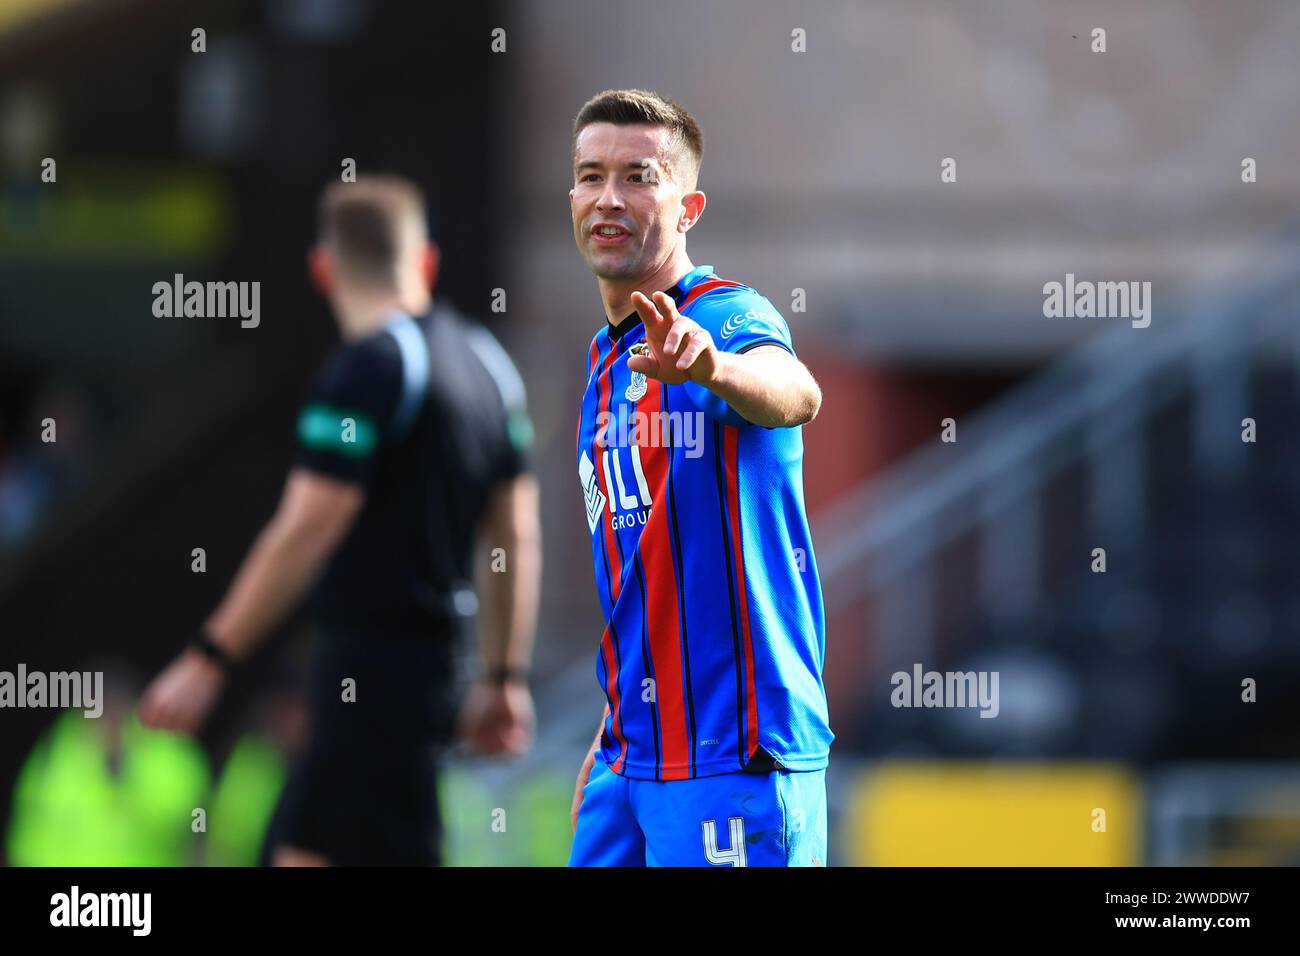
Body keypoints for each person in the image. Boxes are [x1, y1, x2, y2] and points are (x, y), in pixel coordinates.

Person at [139, 174, 541, 866]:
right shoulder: (489, 364)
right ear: (427, 262)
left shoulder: (367, 369)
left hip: (370, 669)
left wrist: (211, 657)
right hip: (438, 666)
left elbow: (306, 527)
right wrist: (503, 675)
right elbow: (515, 536)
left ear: (322, 269)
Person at [565, 89, 834, 867]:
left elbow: (798, 393)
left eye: (639, 177)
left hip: (728, 756)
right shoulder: (605, 358)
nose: (609, 198)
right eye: (591, 176)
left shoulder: (722, 316)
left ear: (689, 207)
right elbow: (648, 569)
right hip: (632, 758)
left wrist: (712, 367)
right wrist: (615, 731)